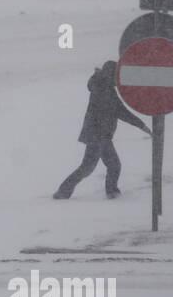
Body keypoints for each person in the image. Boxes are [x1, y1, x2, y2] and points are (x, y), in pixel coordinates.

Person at [53, 60, 151, 200]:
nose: (118, 80)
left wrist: (141, 125)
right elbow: (120, 111)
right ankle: (64, 192)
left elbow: (119, 110)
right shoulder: (103, 88)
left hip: (101, 136)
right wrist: (142, 125)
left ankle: (110, 192)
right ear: (110, 74)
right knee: (89, 167)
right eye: (116, 76)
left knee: (110, 165)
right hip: (97, 136)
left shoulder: (104, 87)